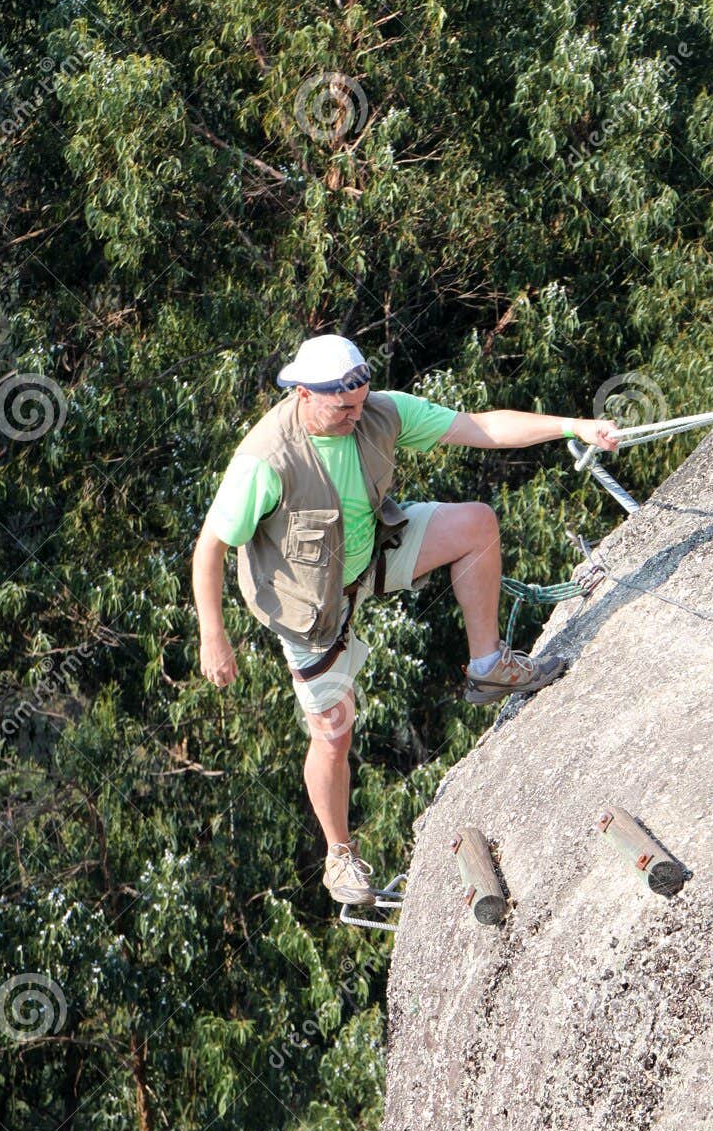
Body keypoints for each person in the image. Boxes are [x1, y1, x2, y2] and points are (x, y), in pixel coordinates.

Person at [192, 334, 620, 909]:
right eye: (340, 407)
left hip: (369, 555)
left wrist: (574, 426)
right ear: (301, 393)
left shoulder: (379, 411)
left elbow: (480, 427)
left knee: (476, 525)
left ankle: (488, 666)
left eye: (360, 401)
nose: (353, 414)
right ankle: (339, 856)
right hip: (307, 605)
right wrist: (213, 636)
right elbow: (210, 548)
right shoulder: (267, 459)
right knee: (334, 733)